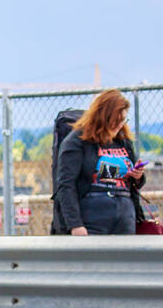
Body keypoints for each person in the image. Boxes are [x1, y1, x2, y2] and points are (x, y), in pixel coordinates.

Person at [54, 89, 145, 236]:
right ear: (103, 117)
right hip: (92, 216)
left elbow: (136, 184)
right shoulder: (77, 141)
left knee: (127, 258)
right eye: (115, 120)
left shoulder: (123, 141)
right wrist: (75, 224)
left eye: (123, 120)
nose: (119, 125)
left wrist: (138, 175)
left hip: (125, 214)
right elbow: (66, 184)